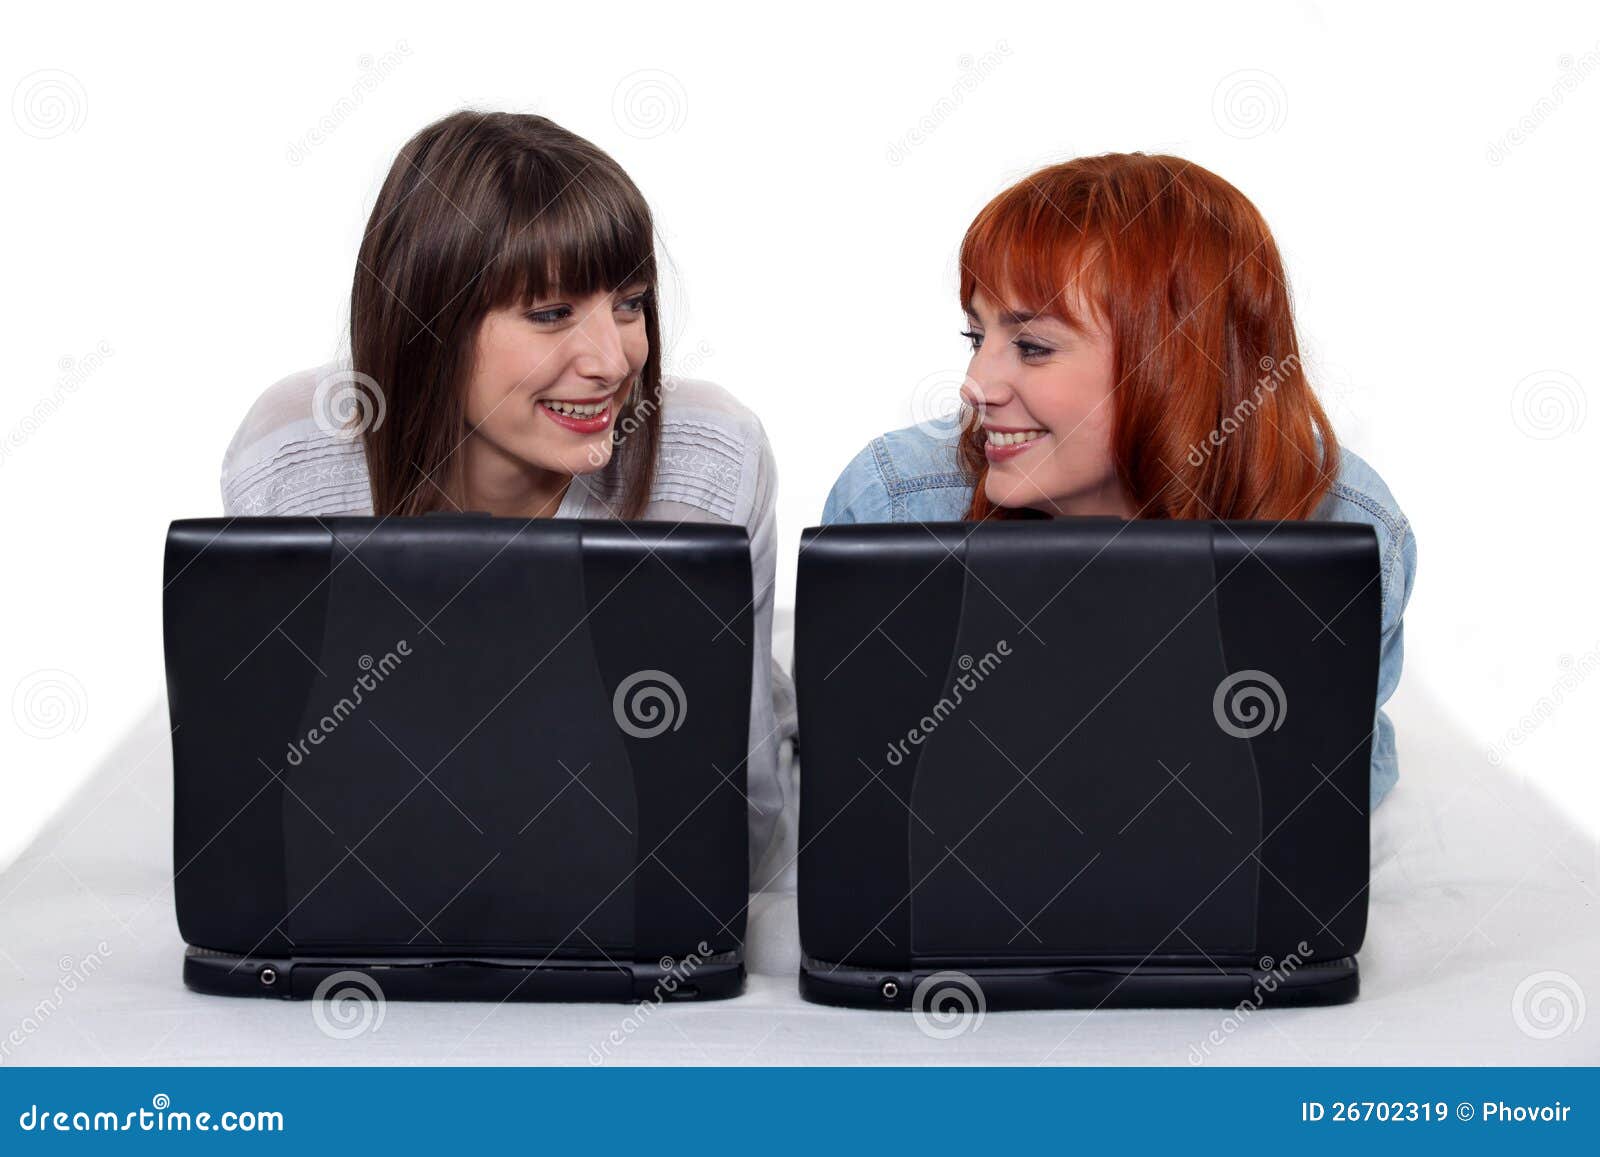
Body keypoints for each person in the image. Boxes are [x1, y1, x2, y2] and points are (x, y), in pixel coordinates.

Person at [220, 109, 796, 872]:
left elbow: (743, 827)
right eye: (552, 314)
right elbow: (280, 802)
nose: (613, 360)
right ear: (428, 323)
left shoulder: (710, 460)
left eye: (629, 303)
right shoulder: (295, 452)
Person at [821, 153, 1415, 807]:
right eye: (976, 335)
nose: (975, 386)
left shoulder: (1346, 528)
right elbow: (859, 789)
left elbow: (1319, 803)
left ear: (1177, 360)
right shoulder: (893, 502)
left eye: (1032, 345)